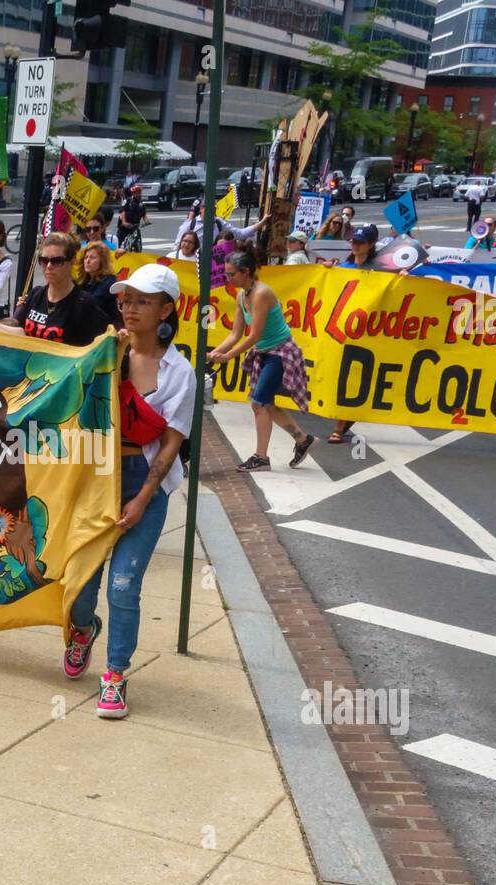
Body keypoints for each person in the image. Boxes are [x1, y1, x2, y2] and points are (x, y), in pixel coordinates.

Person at [63, 264, 196, 718]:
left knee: (123, 586)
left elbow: (172, 445)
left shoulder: (180, 374)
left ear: (166, 309)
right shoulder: (105, 354)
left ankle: (115, 674)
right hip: (98, 479)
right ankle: (84, 629)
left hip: (144, 483)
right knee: (80, 582)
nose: (130, 308)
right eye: (126, 300)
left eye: (142, 301)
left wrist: (142, 499)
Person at [208, 243, 314, 472]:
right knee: (265, 404)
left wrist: (227, 356)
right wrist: (215, 352)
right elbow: (235, 333)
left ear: (246, 272)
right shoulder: (241, 295)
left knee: (259, 403)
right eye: (226, 274)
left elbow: (254, 335)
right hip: (264, 352)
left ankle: (262, 457)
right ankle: (302, 438)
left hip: (280, 352)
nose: (228, 278)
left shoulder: (261, 293)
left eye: (231, 274)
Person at [0, 232, 108, 344]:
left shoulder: (84, 304)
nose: (48, 266)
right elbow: (20, 331)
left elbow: (96, 350)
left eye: (57, 261)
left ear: (71, 262)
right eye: (43, 260)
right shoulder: (35, 295)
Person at [326, 225, 380, 444]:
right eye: (353, 241)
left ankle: (342, 423)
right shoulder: (344, 267)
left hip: (370, 332)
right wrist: (328, 271)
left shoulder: (382, 270)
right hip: (343, 331)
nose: (355, 245)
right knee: (342, 375)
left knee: (357, 377)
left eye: (360, 242)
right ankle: (342, 422)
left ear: (371, 245)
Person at [175, 198, 266, 246]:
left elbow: (240, 233)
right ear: (201, 209)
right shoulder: (190, 224)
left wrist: (262, 222)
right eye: (209, 209)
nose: (212, 211)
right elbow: (177, 245)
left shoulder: (219, 223)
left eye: (214, 209)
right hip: (192, 262)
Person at [77, 241, 121, 328]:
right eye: (86, 258)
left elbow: (91, 304)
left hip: (107, 329)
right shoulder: (84, 281)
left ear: (102, 261)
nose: (88, 261)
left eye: (93, 258)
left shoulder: (109, 281)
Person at [116, 184, 150, 249]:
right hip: (125, 226)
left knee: (137, 243)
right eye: (137, 192)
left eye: (139, 192)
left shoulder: (141, 204)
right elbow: (123, 211)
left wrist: (147, 221)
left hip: (134, 226)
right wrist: (124, 222)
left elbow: (144, 215)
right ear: (133, 193)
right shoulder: (127, 201)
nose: (139, 194)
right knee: (118, 243)